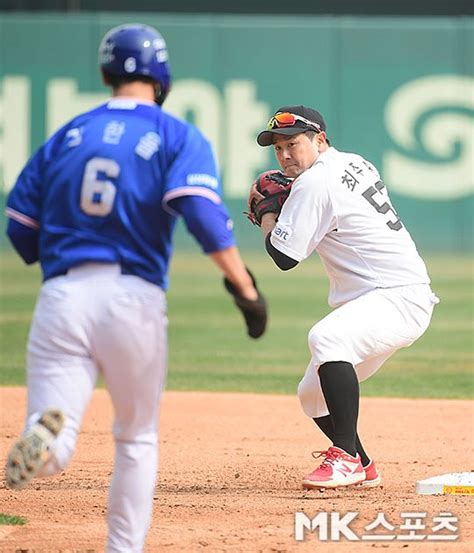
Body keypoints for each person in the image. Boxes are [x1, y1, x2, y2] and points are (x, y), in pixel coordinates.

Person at [4, 23, 267, 551]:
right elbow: (201, 213)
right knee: (136, 437)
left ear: (104, 73)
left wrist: (50, 256)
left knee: (56, 428)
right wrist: (244, 287)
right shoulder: (177, 135)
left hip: (62, 296)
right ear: (161, 74)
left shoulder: (68, 133)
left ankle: (46, 438)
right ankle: (123, 548)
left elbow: (19, 224)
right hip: (132, 297)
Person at [248, 105, 439, 489]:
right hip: (394, 295)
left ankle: (345, 459)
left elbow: (284, 257)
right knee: (312, 396)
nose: (285, 155)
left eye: (294, 144)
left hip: (395, 297)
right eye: (278, 148)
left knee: (327, 338)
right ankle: (364, 466)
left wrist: (269, 214)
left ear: (319, 139)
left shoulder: (314, 182)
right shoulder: (354, 162)